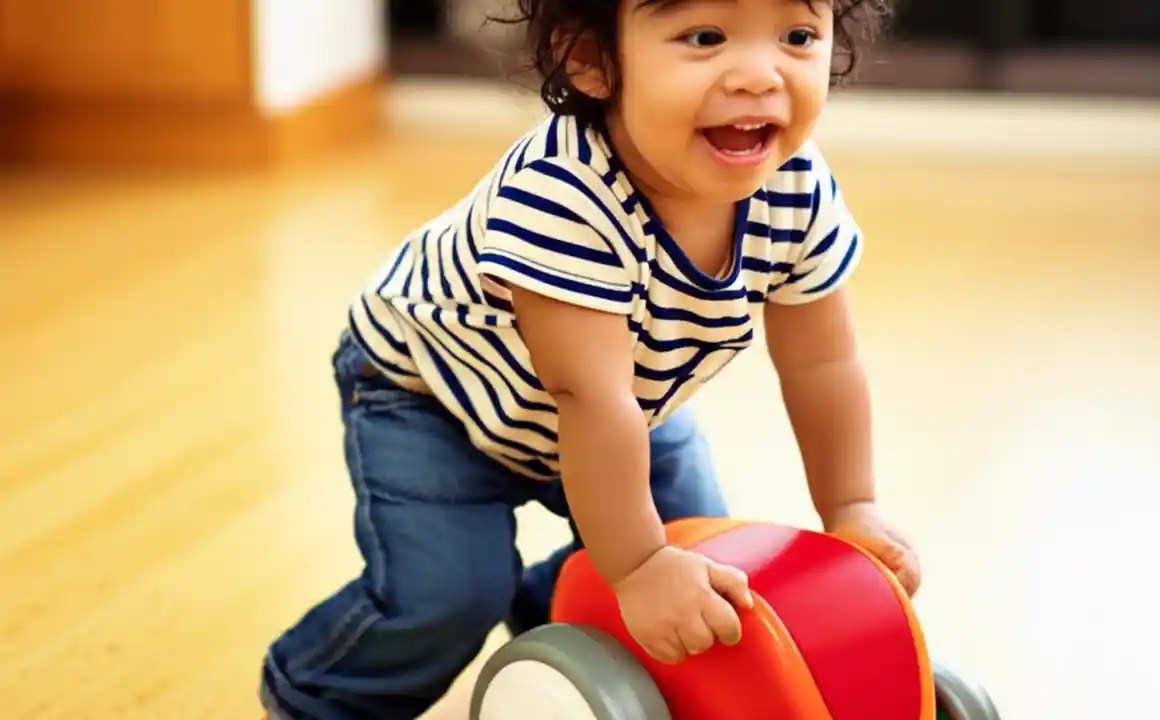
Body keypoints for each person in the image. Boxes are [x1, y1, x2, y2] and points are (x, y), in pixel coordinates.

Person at [260, 0, 919, 717]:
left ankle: (558, 612)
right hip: (435, 396)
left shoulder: (794, 188)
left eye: (797, 37)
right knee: (448, 597)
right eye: (705, 38)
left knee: (709, 577)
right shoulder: (562, 198)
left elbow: (823, 362)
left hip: (623, 399)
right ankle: (314, 692)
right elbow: (587, 399)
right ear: (593, 62)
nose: (760, 75)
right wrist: (637, 570)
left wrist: (850, 506)